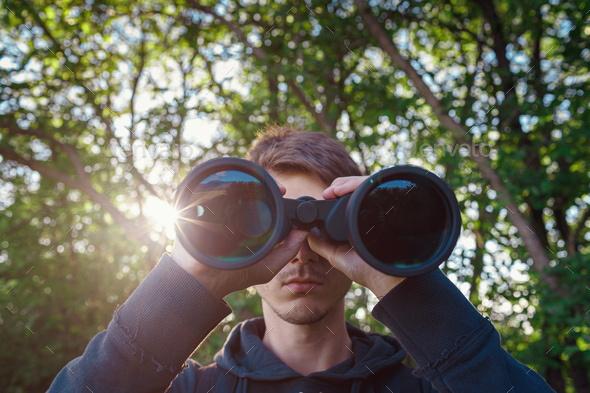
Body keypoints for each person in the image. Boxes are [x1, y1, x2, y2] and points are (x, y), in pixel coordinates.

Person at [48, 126, 554, 392]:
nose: (302, 254)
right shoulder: (187, 390)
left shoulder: (422, 388)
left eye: (326, 230)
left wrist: (404, 280)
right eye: (274, 230)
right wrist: (189, 275)